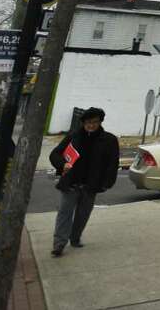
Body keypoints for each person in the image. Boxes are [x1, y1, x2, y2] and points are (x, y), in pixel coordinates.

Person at [48, 106, 120, 257]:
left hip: (91, 186)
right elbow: (55, 154)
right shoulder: (74, 136)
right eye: (87, 122)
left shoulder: (109, 140)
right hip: (71, 184)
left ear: (100, 122)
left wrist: (107, 182)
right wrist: (62, 164)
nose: (91, 125)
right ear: (83, 123)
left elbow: (112, 164)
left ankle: (75, 238)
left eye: (94, 122)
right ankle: (59, 244)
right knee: (64, 214)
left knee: (82, 215)